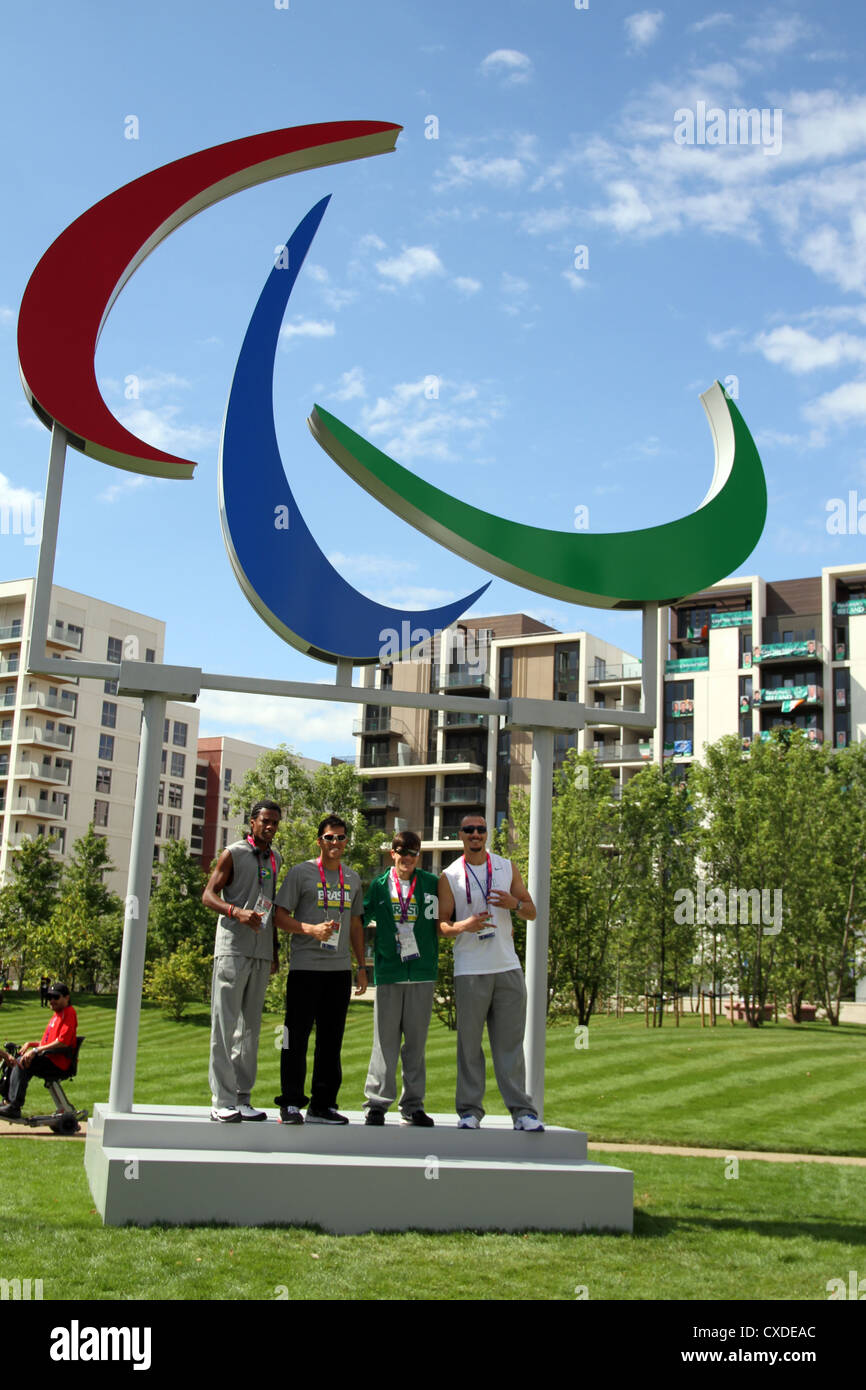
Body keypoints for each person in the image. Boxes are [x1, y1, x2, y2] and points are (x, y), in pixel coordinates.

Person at [438, 815, 544, 1132]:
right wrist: (463, 926)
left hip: (507, 968)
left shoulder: (506, 867)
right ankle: (470, 1111)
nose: (475, 834)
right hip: (470, 970)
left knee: (510, 1045)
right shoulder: (449, 875)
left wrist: (513, 903)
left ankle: (522, 1113)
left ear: (487, 835)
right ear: (460, 835)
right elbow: (441, 926)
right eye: (468, 829)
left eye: (480, 829)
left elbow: (532, 911)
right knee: (469, 1046)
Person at [273, 814, 366, 1124]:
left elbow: (355, 925)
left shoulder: (352, 878)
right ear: (319, 841)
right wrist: (310, 930)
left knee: (331, 1040)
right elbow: (279, 916)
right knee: (294, 1037)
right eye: (329, 837)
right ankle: (290, 1103)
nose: (335, 843)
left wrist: (361, 966)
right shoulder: (301, 874)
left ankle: (323, 1104)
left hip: (338, 972)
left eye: (340, 838)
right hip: (305, 968)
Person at [202, 799, 282, 1123]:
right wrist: (235, 911)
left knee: (250, 1030)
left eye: (275, 822)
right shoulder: (232, 853)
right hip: (233, 949)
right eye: (265, 821)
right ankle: (220, 1099)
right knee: (224, 1026)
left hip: (261, 952)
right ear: (252, 822)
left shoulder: (276, 858)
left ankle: (242, 1098)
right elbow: (208, 895)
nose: (271, 827)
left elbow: (272, 907)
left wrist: (275, 951)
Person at [362, 829, 439, 1127]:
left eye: (412, 852)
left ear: (418, 855)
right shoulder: (380, 887)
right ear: (392, 853)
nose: (407, 857)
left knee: (416, 1045)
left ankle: (413, 1105)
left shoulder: (432, 884)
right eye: (401, 851)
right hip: (390, 973)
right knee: (385, 1043)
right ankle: (377, 1104)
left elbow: (447, 916)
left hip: (422, 972)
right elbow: (359, 916)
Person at [0, 981, 77, 1118]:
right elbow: (47, 1042)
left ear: (67, 998)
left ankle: (14, 1107)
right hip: (50, 1058)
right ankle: (7, 1101)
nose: (52, 1000)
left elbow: (62, 1042)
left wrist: (36, 1051)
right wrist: (31, 1044)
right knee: (14, 1060)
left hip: (58, 1063)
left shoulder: (68, 1013)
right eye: (49, 997)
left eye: (56, 997)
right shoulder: (57, 1015)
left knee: (20, 1062)